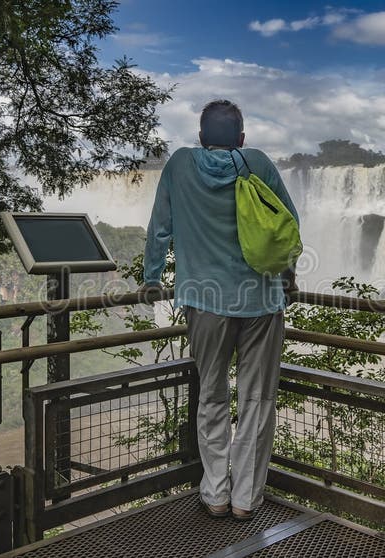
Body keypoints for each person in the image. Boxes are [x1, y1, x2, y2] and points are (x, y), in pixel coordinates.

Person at [142, 99, 298, 521]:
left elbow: (160, 228)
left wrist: (152, 278)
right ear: (242, 139)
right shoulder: (258, 163)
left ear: (200, 138)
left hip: (204, 303)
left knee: (210, 393)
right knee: (257, 398)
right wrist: (288, 277)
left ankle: (215, 493)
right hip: (262, 302)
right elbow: (287, 224)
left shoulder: (179, 165)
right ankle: (246, 498)